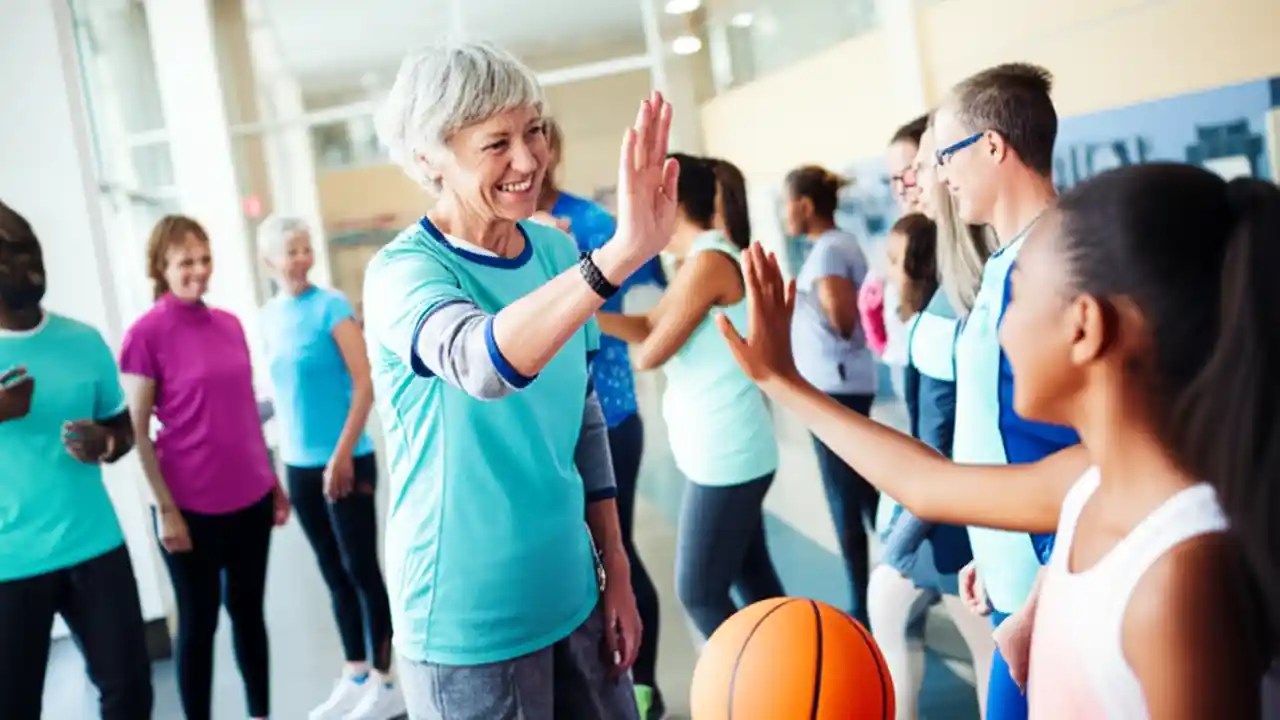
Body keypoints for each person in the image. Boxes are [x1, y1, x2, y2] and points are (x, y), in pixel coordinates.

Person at [719, 162, 1276, 719]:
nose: (999, 328)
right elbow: (926, 484)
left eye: (1017, 295)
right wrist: (782, 381)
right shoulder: (1093, 483)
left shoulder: (1181, 579)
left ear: (1084, 326)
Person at [365, 40, 677, 719]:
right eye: (496, 143)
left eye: (533, 129)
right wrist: (617, 259)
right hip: (467, 620)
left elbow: (582, 415)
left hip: (572, 591)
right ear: (429, 158)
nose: (530, 160)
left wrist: (615, 566)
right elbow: (483, 363)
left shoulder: (559, 251)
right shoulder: (404, 274)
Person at [928, 63, 1081, 719]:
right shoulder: (1005, 261)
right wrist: (992, 548)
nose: (939, 175)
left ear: (993, 146)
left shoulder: (1057, 266)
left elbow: (1095, 459)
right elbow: (997, 428)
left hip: (1058, 595)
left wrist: (1042, 594)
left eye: (945, 155)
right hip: (1020, 583)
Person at [599, 153, 782, 641]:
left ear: (670, 202)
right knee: (755, 582)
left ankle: (754, 693)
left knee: (699, 591)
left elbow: (649, 353)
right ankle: (795, 683)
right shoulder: (694, 262)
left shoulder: (709, 263)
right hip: (726, 452)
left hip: (728, 457)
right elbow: (646, 326)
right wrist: (577, 312)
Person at [121, 215, 291, 720]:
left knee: (248, 615)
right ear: (161, 267)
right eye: (184, 262)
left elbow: (243, 413)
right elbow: (136, 430)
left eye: (204, 258)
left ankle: (261, 714)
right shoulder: (145, 334)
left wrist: (273, 483)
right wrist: (164, 510)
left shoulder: (231, 325)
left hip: (251, 499)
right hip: (189, 510)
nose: (198, 270)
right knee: (197, 624)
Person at [535, 118, 668, 720]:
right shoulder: (507, 232)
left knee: (617, 551)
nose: (525, 158)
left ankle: (644, 681)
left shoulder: (587, 222)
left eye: (536, 139)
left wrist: (568, 269)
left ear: (553, 151)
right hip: (545, 421)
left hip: (607, 410)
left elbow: (615, 304)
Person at [0, 201, 153, 720]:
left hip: (94, 545)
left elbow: (122, 426)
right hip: (9, 563)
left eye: (31, 248)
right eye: (10, 253)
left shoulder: (83, 341)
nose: (29, 264)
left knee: (130, 691)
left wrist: (105, 444)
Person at [256, 215, 403, 720]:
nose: (299, 258)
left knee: (362, 570)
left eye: (303, 248)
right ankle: (356, 671)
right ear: (269, 261)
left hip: (347, 459)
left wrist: (342, 455)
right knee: (332, 572)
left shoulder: (332, 307)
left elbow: (365, 384)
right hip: (298, 465)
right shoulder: (269, 315)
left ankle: (386, 682)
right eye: (288, 251)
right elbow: (281, 396)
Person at [868, 209, 994, 720]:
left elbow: (936, 444)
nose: (888, 273)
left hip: (946, 514)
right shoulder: (936, 319)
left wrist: (903, 533)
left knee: (894, 609)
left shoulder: (939, 323)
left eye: (895, 262)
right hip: (954, 507)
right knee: (983, 644)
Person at [782, 163, 877, 624]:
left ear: (804, 205)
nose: (785, 215)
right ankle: (906, 573)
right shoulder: (837, 246)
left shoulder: (827, 253)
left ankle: (861, 600)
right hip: (843, 383)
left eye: (787, 204)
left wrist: (811, 311)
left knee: (844, 496)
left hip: (837, 387)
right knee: (861, 491)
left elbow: (841, 320)